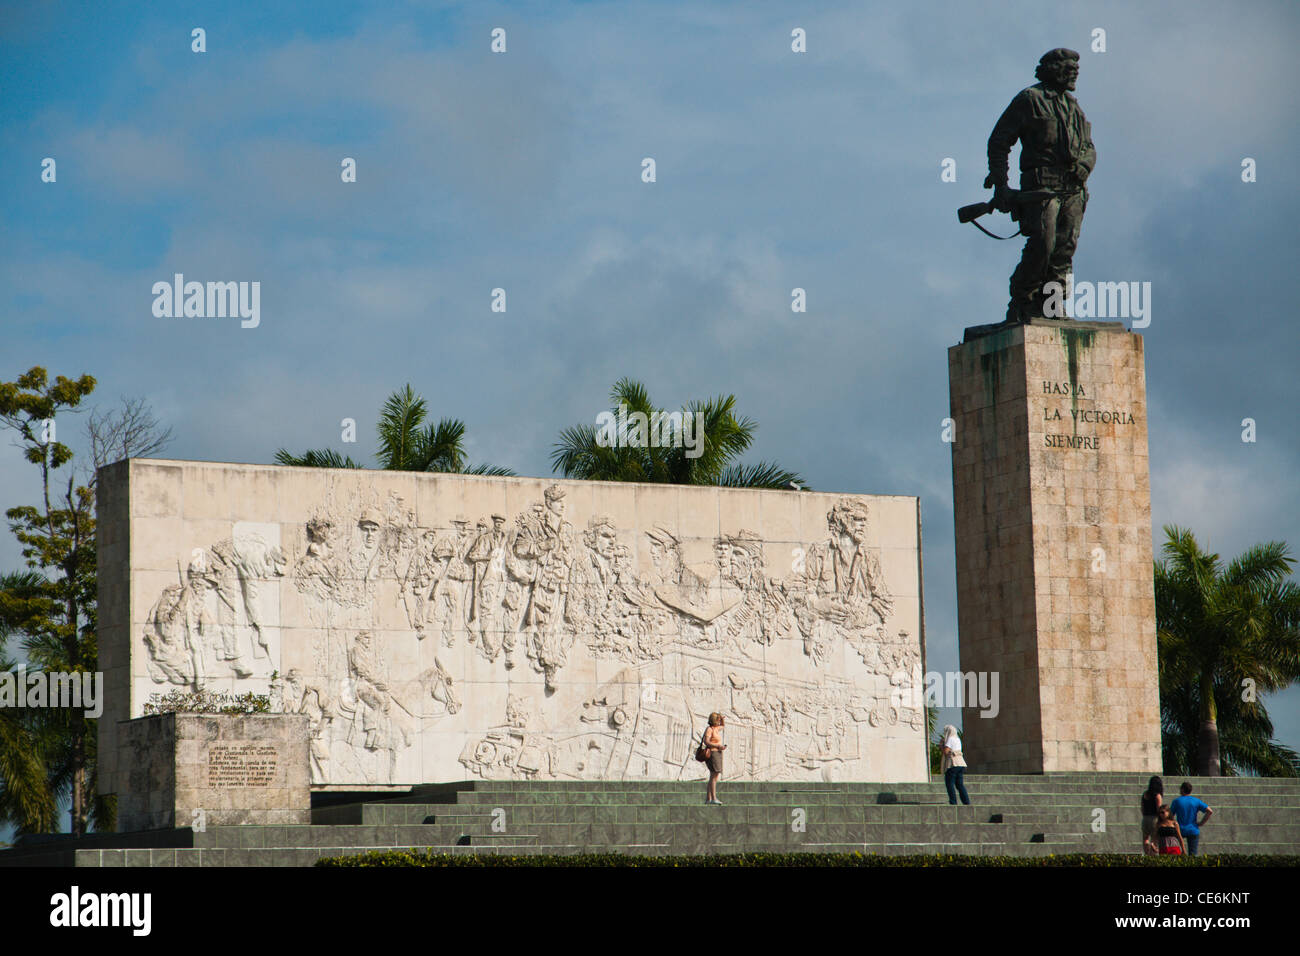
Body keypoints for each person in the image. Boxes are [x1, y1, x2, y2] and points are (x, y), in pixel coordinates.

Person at [986, 48, 1096, 324]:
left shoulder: (1074, 107)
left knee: (1064, 249)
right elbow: (999, 141)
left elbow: (1089, 146)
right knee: (1042, 245)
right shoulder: (1030, 99)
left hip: (1073, 189)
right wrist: (1001, 185)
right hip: (1041, 189)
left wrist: (1084, 165)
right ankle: (1022, 302)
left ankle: (1052, 305)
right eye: (1068, 69)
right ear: (1052, 70)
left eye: (1075, 70)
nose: (1074, 74)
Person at [1169, 782, 1213, 856]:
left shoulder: (1177, 801)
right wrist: (1201, 823)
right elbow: (1210, 811)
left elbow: (1170, 816)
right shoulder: (1196, 801)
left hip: (1180, 829)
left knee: (1176, 853)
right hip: (1193, 829)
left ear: (1182, 789)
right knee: (1193, 854)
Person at [940, 724, 970, 805]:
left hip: (953, 763)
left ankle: (953, 802)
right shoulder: (957, 739)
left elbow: (946, 751)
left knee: (949, 783)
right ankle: (966, 802)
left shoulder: (950, 739)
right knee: (959, 785)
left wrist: (941, 746)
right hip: (961, 763)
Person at [703, 712, 727, 805]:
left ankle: (708, 799)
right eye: (718, 720)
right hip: (713, 753)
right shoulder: (709, 729)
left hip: (718, 752)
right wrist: (717, 745)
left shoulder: (716, 729)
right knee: (714, 776)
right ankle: (713, 798)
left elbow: (723, 726)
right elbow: (706, 741)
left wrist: (722, 718)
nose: (719, 721)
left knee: (714, 776)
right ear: (714, 720)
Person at [1140, 775, 1164, 854]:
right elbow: (1159, 809)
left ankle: (1147, 853)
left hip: (1145, 818)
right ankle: (1153, 854)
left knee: (1145, 838)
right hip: (1154, 819)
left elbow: (1142, 808)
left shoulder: (1145, 794)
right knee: (1154, 839)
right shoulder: (1157, 795)